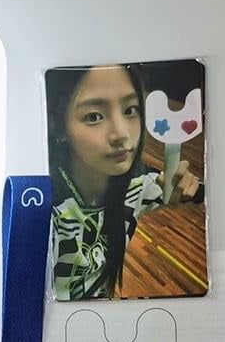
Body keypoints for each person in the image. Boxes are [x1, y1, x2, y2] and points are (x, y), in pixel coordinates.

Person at [45, 64, 201, 300]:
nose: (122, 134)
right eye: (94, 116)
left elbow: (192, 190)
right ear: (58, 127)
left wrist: (185, 185)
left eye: (130, 110)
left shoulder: (138, 183)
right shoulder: (47, 209)